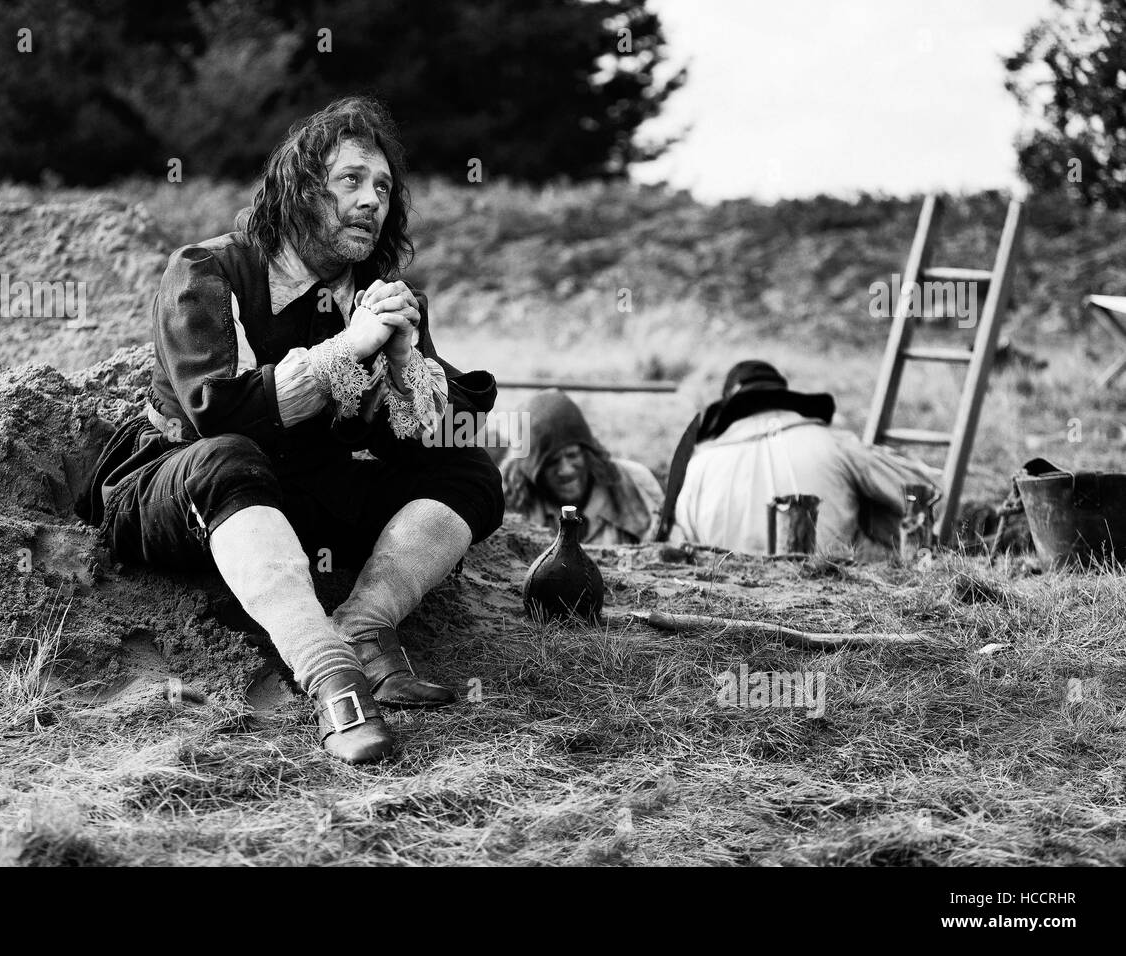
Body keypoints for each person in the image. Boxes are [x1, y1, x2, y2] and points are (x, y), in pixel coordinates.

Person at [78, 97, 504, 765]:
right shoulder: (207, 271)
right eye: (352, 181)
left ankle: (365, 625)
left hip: (300, 491)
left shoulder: (373, 294)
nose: (372, 201)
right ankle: (329, 669)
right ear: (303, 190)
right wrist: (346, 348)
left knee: (468, 469)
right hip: (182, 487)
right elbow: (213, 411)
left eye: (384, 188)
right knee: (229, 456)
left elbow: (424, 437)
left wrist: (401, 359)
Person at [656, 360, 939, 558]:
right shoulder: (835, 445)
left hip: (725, 612)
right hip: (830, 607)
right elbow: (927, 497)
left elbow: (679, 546)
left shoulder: (698, 466)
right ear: (784, 397)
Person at [502, 389, 663, 545]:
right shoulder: (512, 505)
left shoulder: (636, 483)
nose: (566, 470)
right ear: (531, 472)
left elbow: (670, 549)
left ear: (588, 453)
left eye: (572, 455)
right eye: (552, 462)